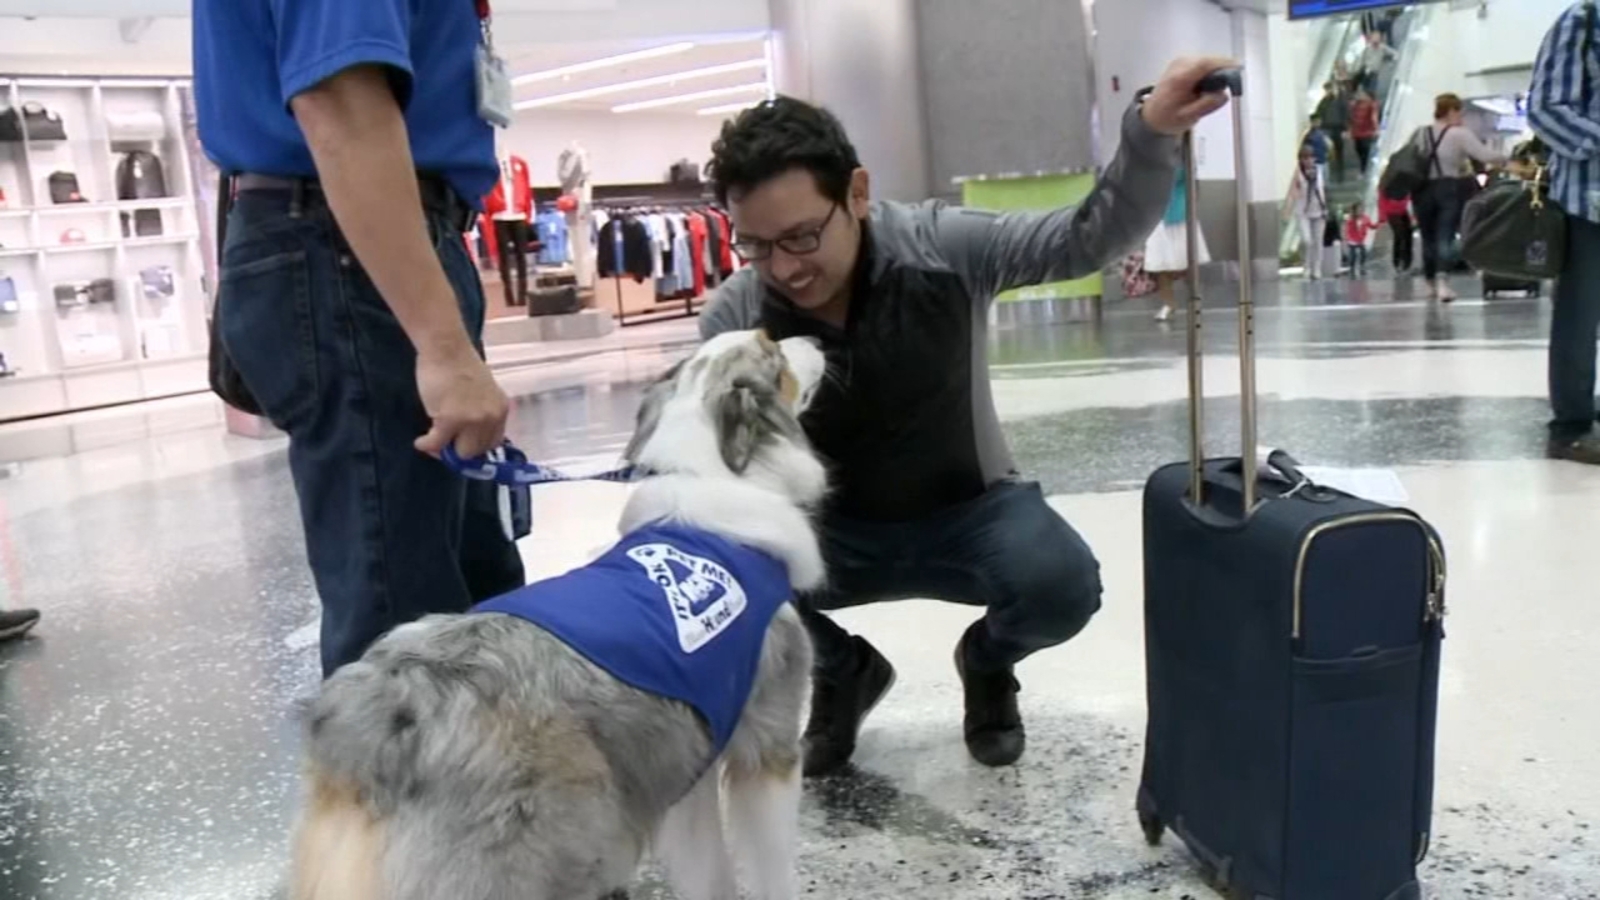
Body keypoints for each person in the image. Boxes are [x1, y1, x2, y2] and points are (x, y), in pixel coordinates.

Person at [696, 56, 1236, 775]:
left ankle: (986, 662)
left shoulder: (942, 247)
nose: (784, 268)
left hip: (971, 515)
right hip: (831, 536)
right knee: (714, 582)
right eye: (755, 246)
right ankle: (840, 669)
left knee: (1062, 586)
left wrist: (1149, 133)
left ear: (856, 193)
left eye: (800, 237)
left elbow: (1085, 238)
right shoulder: (736, 312)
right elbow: (717, 456)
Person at [192, 0, 527, 677]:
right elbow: (341, 105)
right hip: (347, 247)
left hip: (359, 242)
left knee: (458, 605)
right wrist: (442, 345)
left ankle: (466, 783)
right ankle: (401, 787)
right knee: (408, 635)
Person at [1529, 1, 1600, 465]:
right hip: (1589, 200)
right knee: (1580, 316)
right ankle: (1570, 427)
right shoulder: (1585, 19)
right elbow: (1545, 107)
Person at [1411, 93, 1506, 303]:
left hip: (1421, 189)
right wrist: (1508, 159)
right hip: (1448, 187)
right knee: (1445, 235)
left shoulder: (1421, 133)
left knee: (1428, 236)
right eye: (1458, 111)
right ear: (1451, 111)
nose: (1461, 116)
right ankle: (1443, 282)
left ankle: (1430, 284)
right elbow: (1485, 155)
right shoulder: (1459, 134)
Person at [1145, 165, 1210, 322]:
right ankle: (1168, 303)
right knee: (1159, 265)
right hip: (1157, 216)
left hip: (1181, 214)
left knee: (1187, 263)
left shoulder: (1183, 157)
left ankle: (1194, 299)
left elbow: (1194, 185)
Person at [1285, 149, 1330, 280]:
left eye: (1310, 158)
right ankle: (1307, 266)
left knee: (1318, 241)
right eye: (1304, 158)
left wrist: (1326, 207)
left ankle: (1316, 269)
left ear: (1314, 158)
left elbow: (1324, 190)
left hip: (1319, 210)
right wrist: (1288, 208)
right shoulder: (1298, 173)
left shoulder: (1320, 171)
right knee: (1307, 240)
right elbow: (1293, 190)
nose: (1308, 161)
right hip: (1303, 211)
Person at [1314, 83, 1350, 182]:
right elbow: (1319, 114)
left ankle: (1340, 173)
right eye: (1327, 90)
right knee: (1328, 150)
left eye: (1330, 89)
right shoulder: (1324, 102)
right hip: (1326, 128)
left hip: (1338, 128)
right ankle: (1331, 174)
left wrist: (1346, 129)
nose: (1329, 91)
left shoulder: (1341, 101)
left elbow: (1346, 115)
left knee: (1339, 150)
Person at [1379, 191, 1414, 274]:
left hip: (1403, 210)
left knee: (1408, 234)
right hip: (1392, 212)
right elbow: (1382, 199)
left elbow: (1410, 196)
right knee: (1400, 234)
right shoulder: (1387, 184)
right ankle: (1398, 261)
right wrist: (1382, 217)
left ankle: (1406, 262)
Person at [1348, 87, 1381, 176]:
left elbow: (1374, 118)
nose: (1359, 95)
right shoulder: (1356, 104)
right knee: (1358, 149)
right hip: (1357, 132)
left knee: (1364, 151)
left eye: (1361, 93)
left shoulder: (1372, 105)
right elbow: (1351, 118)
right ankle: (1363, 167)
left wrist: (1376, 129)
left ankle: (1364, 169)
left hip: (1367, 132)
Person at [1343, 202, 1378, 277]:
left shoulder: (1365, 218)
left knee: (1363, 253)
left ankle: (1362, 267)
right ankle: (1352, 268)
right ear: (1355, 210)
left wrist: (1378, 224)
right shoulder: (1351, 219)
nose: (1360, 211)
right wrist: (1347, 237)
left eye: (1362, 209)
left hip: (1360, 240)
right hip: (1352, 240)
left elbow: (1371, 226)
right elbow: (1347, 229)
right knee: (1353, 255)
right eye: (1359, 209)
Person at [1303, 115, 1333, 187]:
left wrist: (1328, 153)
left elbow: (1329, 145)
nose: (1318, 123)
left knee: (1323, 181)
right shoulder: (1309, 135)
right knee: (1319, 182)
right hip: (1316, 162)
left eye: (1319, 121)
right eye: (1316, 121)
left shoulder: (1321, 133)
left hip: (1322, 160)